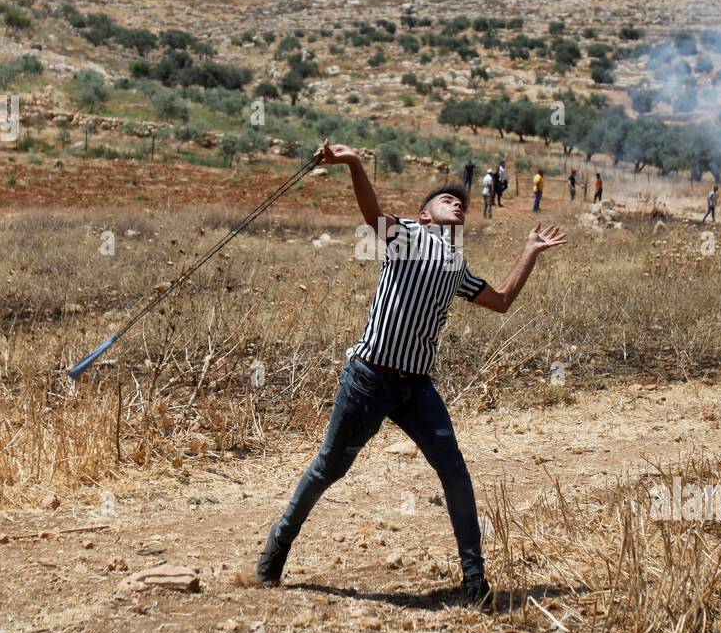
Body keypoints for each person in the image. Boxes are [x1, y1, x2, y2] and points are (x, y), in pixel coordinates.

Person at [239, 140, 568, 608]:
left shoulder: (456, 265)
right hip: (368, 378)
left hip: (415, 387)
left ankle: (475, 582)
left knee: (455, 472)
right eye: (447, 199)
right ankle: (276, 552)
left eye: (463, 203)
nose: (458, 203)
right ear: (427, 215)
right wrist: (353, 162)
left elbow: (501, 301)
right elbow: (372, 215)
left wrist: (530, 250)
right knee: (329, 468)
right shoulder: (408, 235)